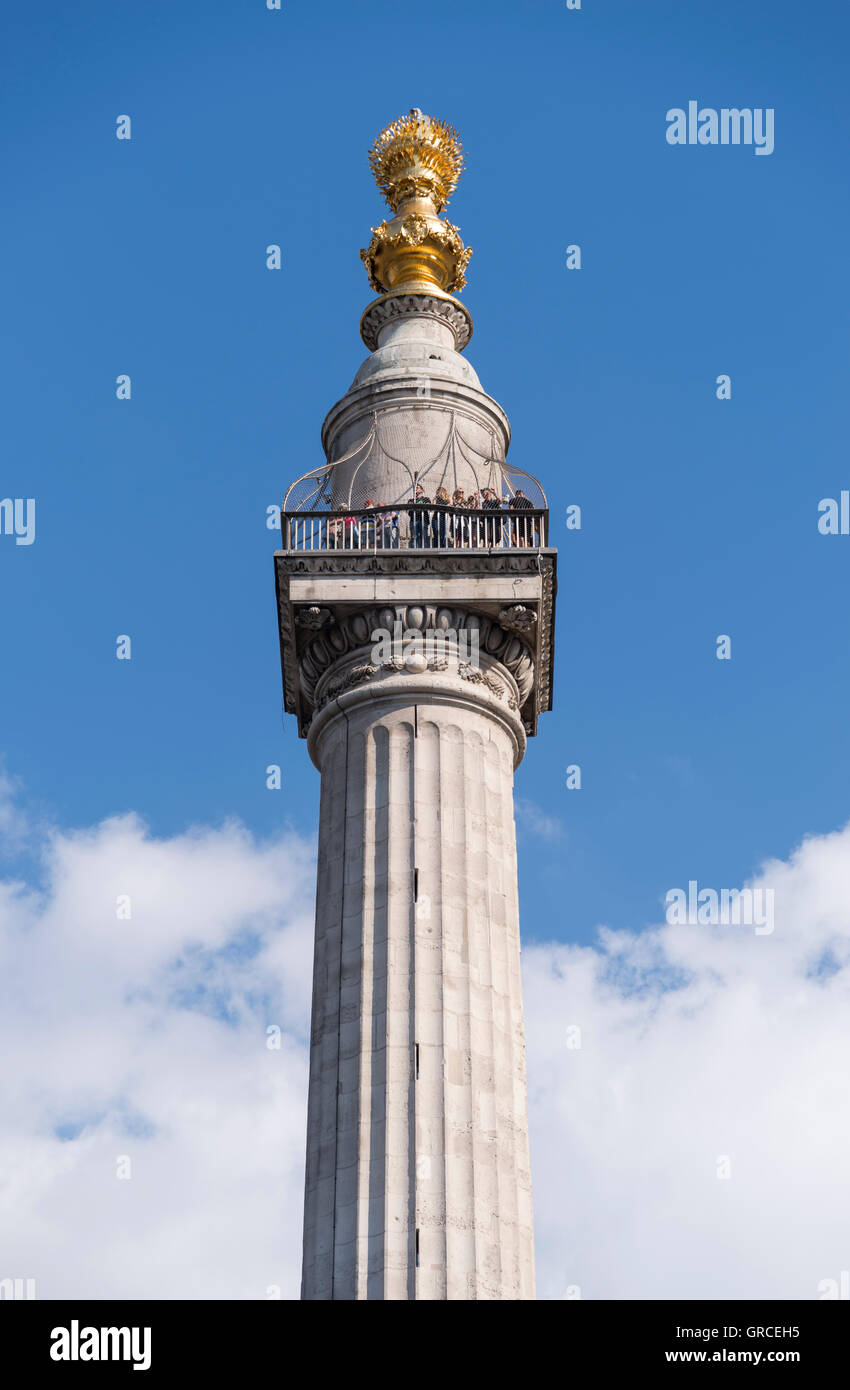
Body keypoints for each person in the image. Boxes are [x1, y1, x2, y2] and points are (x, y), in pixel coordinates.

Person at [407, 484, 431, 548]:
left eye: (417, 487)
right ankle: (415, 553)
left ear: (422, 490)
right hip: (413, 520)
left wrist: (416, 506)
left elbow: (428, 505)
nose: (416, 489)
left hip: (423, 520)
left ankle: (425, 552)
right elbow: (410, 505)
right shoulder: (411, 500)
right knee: (414, 537)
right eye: (415, 488)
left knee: (424, 537)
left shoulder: (426, 499)